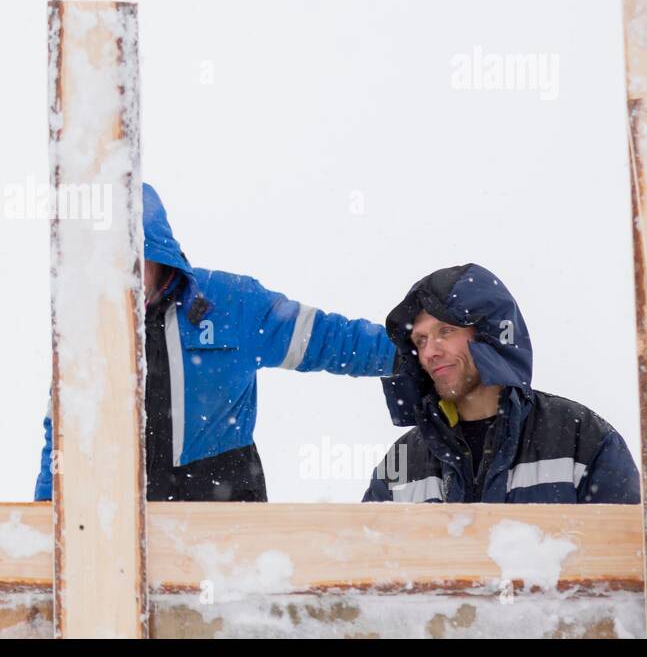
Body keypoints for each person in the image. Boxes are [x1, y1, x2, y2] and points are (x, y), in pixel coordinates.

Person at [35, 182, 396, 502]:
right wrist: (45, 522)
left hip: (226, 518)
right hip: (123, 528)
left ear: (155, 248)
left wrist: (414, 355)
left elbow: (331, 340)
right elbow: (61, 440)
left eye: (129, 256)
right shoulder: (83, 334)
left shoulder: (232, 304)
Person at [363, 263, 639, 503]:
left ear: (489, 335)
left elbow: (634, 552)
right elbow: (362, 558)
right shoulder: (402, 461)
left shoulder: (582, 438)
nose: (429, 351)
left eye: (446, 331)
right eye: (420, 340)